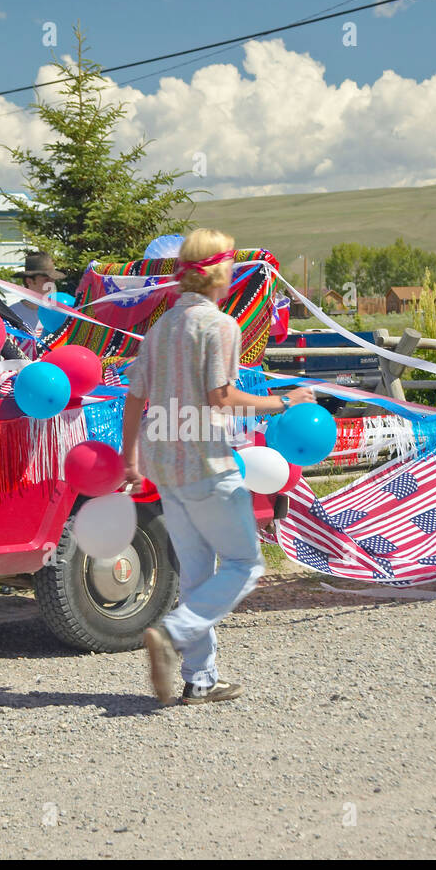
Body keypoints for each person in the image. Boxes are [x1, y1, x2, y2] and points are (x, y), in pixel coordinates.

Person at [121, 228, 314, 705]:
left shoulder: (160, 329)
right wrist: (282, 402)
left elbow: (135, 399)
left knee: (196, 574)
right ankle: (174, 632)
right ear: (219, 274)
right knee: (245, 564)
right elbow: (221, 397)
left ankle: (199, 678)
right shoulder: (220, 326)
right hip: (206, 461)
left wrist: (130, 459)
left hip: (164, 462)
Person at [9, 252, 64, 346]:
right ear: (29, 281)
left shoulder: (61, 313)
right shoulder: (11, 314)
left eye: (53, 280)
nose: (51, 284)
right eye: (46, 280)